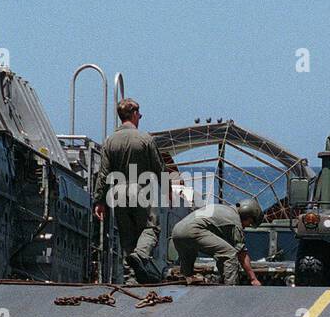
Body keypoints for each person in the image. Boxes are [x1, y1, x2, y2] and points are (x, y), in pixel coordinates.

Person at [93, 98, 165, 284]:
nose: (139, 117)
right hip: (141, 190)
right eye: (138, 114)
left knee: (127, 236)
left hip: (117, 193)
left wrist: (99, 200)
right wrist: (167, 190)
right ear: (133, 114)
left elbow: (103, 173)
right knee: (150, 229)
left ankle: (131, 278)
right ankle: (141, 255)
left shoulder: (110, 141)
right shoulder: (145, 139)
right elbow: (159, 168)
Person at [171, 198, 263, 285]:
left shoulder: (222, 209)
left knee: (188, 258)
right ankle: (230, 291)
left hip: (177, 231)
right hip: (193, 230)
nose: (246, 226)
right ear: (246, 214)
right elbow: (242, 254)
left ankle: (185, 281)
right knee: (230, 253)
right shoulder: (235, 221)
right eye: (249, 223)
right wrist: (253, 279)